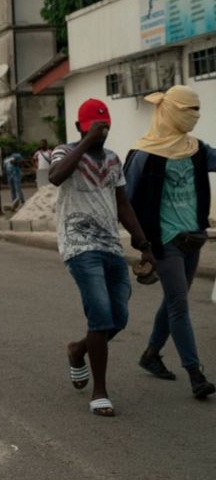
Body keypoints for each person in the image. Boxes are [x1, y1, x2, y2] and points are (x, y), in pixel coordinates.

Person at [51, 99, 154, 418]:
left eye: (105, 126)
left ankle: (79, 349)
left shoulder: (112, 159)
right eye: (96, 126)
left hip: (110, 245)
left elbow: (122, 203)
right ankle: (100, 392)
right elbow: (55, 176)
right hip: (78, 245)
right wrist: (85, 143)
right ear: (81, 126)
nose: (102, 131)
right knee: (99, 314)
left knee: (118, 317)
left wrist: (143, 242)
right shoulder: (63, 152)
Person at [125, 85, 216, 399]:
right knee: (179, 305)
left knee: (174, 300)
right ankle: (195, 374)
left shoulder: (196, 149)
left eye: (198, 109)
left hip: (194, 239)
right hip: (165, 243)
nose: (196, 116)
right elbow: (127, 201)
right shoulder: (144, 155)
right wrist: (142, 244)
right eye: (189, 109)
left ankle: (151, 354)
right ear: (170, 110)